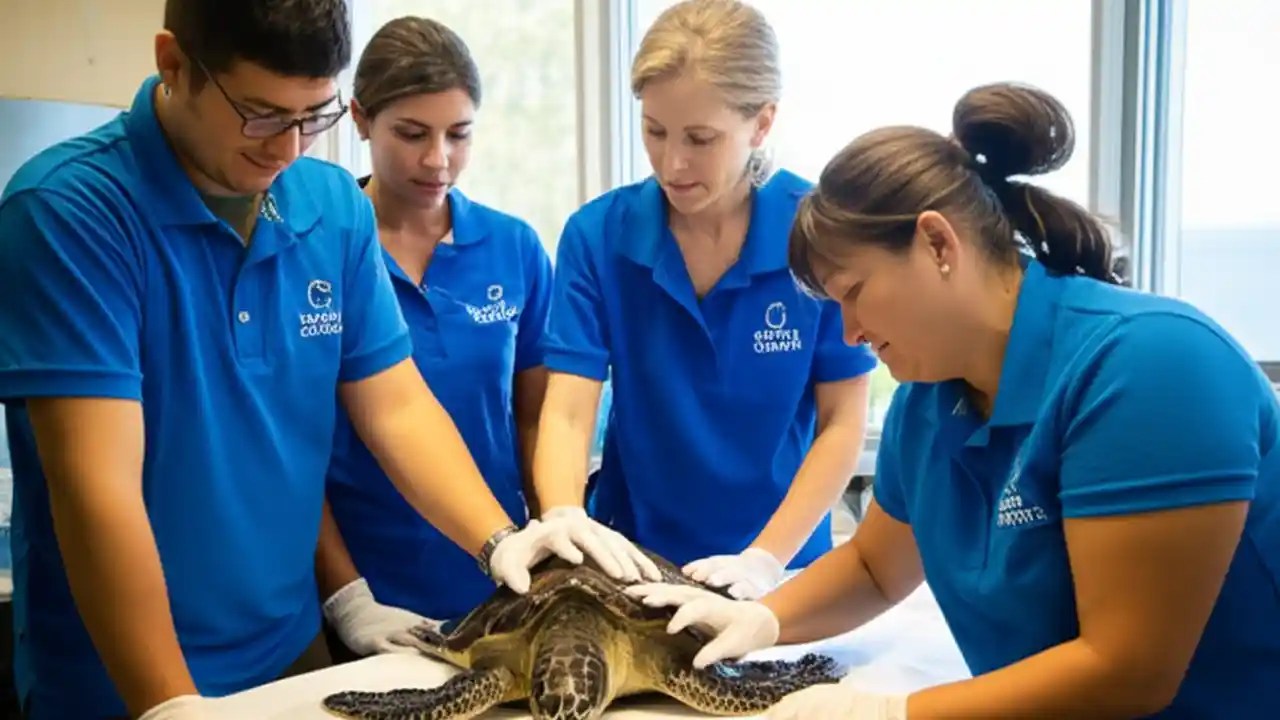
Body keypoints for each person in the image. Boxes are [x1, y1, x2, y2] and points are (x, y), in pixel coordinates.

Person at [0, 2, 646, 718]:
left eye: (315, 116)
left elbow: (396, 406)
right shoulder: (70, 210)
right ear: (174, 65)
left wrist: (499, 543)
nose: (288, 148)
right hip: (120, 675)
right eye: (262, 114)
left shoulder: (329, 205)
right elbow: (97, 488)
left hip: (288, 652)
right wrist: (168, 704)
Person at [628, 82, 1280, 719]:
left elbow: (1127, 672)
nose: (850, 333)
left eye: (855, 292)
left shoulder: (1150, 368)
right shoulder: (930, 404)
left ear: (939, 244)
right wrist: (764, 616)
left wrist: (893, 712)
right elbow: (876, 567)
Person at [533, 0, 878, 603]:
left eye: (701, 138)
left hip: (783, 567)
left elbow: (843, 421)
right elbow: (566, 412)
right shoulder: (597, 237)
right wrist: (563, 516)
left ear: (761, 124)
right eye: (655, 131)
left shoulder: (818, 233)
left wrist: (766, 561)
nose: (672, 162)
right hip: (631, 566)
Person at [315, 15, 615, 658]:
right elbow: (293, 451)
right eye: (412, 133)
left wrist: (548, 553)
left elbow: (538, 421)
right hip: (367, 589)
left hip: (496, 583)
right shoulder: (320, 250)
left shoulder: (514, 248)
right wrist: (347, 597)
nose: (437, 159)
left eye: (460, 134)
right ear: (361, 119)